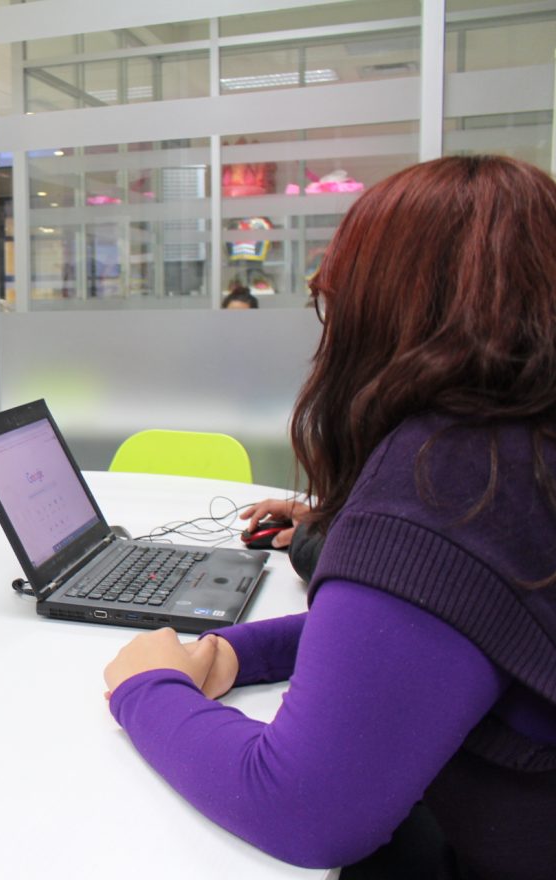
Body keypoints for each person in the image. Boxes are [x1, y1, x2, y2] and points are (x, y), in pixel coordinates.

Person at [101, 156, 556, 879]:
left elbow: (303, 809)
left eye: (332, 304)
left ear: (385, 310)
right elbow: (442, 635)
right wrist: (244, 650)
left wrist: (148, 687)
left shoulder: (446, 477)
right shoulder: (521, 450)